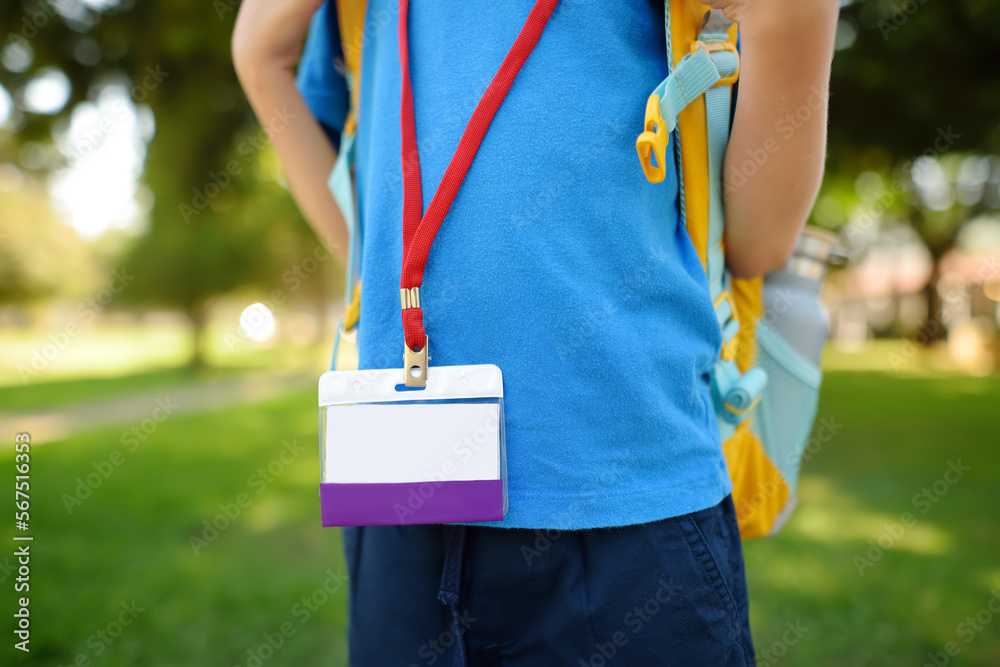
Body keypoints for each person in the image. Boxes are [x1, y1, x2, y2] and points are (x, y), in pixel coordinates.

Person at [232, 1, 838, 664]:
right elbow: (367, 237)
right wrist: (257, 57)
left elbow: (758, 242)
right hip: (397, 500)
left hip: (627, 504)